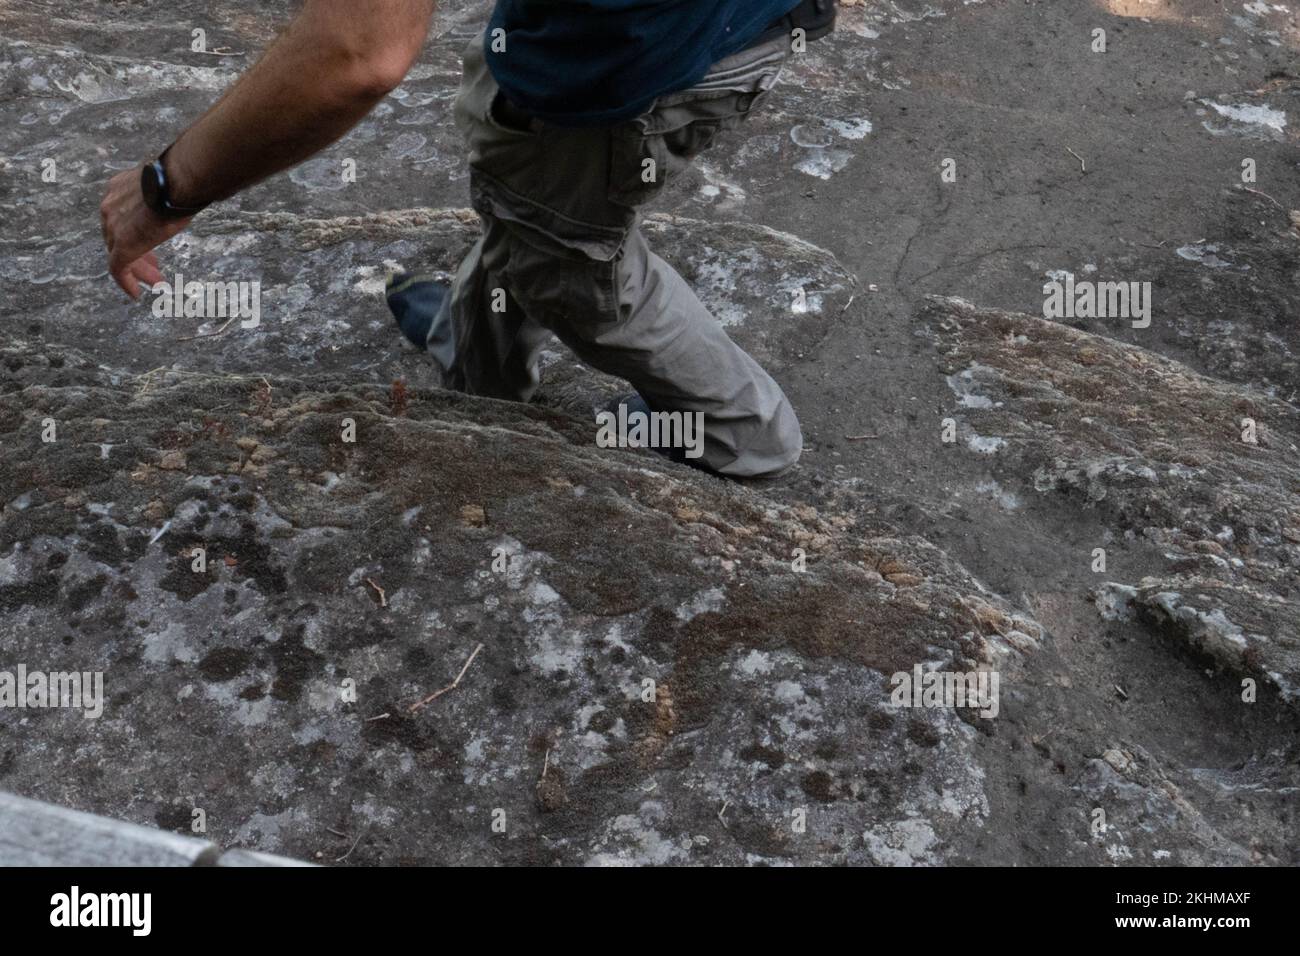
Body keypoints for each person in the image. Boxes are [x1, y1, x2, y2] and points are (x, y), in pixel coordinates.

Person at [100, 0, 835, 478]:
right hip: (641, 27)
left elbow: (358, 51)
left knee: (574, 268)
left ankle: (742, 430)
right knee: (520, 181)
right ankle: (475, 354)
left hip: (649, 56)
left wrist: (168, 189)